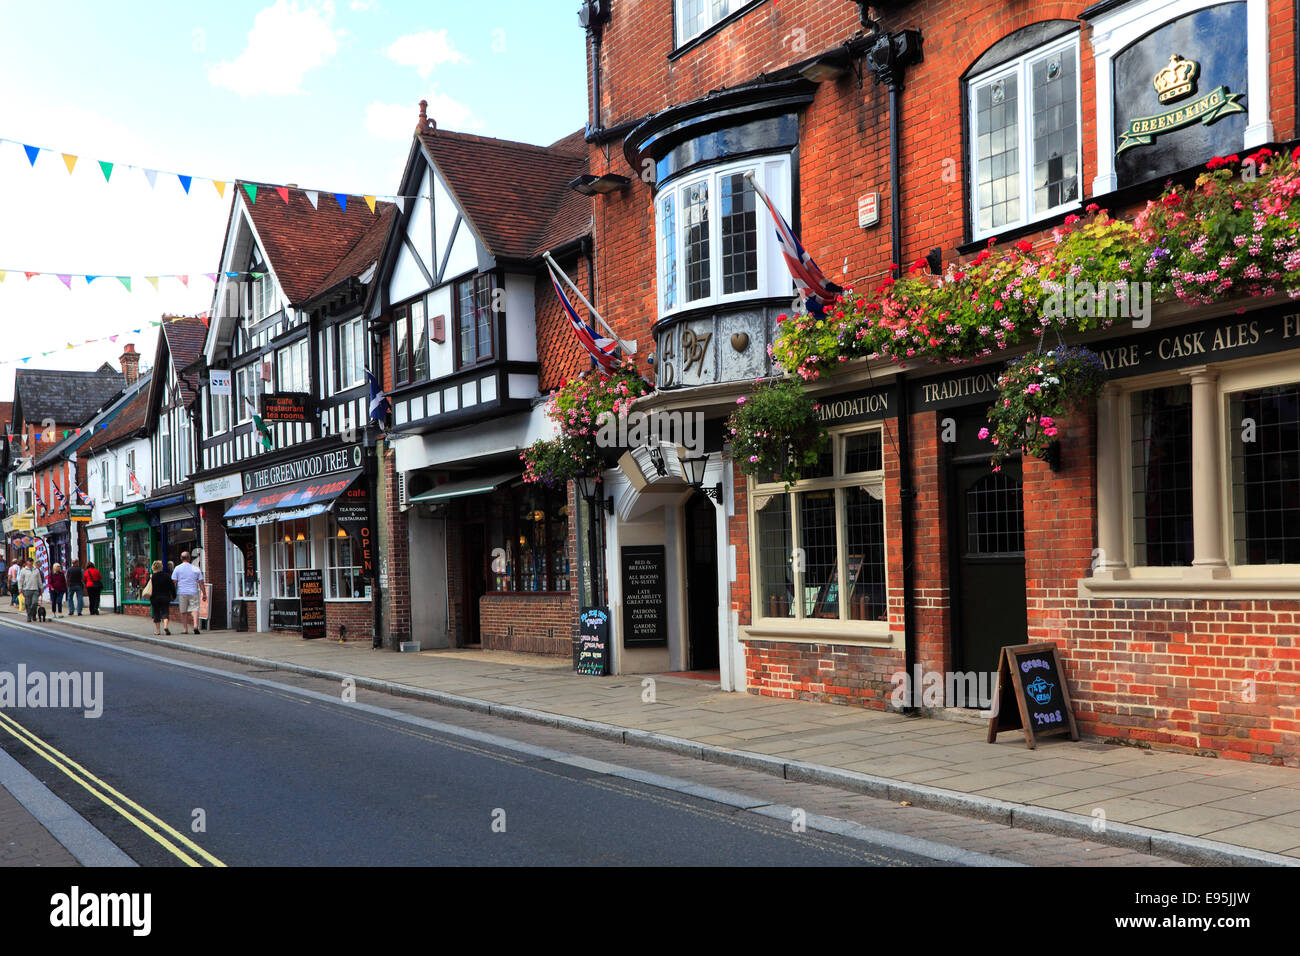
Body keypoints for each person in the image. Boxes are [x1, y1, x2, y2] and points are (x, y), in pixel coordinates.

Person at [172, 550, 204, 635]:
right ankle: (195, 626)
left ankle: (185, 629)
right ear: (189, 558)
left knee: (183, 611)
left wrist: (173, 593)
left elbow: (174, 582)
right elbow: (201, 582)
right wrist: (204, 593)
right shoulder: (195, 568)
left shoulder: (177, 568)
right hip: (193, 591)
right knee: (195, 609)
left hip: (182, 592)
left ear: (181, 558)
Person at [149, 560, 175, 635]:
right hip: (165, 597)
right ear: (161, 567)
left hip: (155, 598)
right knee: (165, 612)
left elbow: (147, 587)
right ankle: (165, 626)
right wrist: (173, 595)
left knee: (156, 613)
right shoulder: (167, 576)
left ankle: (157, 631)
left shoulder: (152, 577)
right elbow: (172, 587)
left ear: (153, 567)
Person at [18, 558, 41, 623]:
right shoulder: (23, 570)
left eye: (31, 561)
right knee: (28, 604)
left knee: (34, 603)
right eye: (29, 561)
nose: (30, 563)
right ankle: (29, 616)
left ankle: (34, 614)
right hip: (27, 589)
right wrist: (20, 588)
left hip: (35, 589)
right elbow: (21, 580)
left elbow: (39, 579)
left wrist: (41, 587)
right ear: (27, 562)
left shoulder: (36, 570)